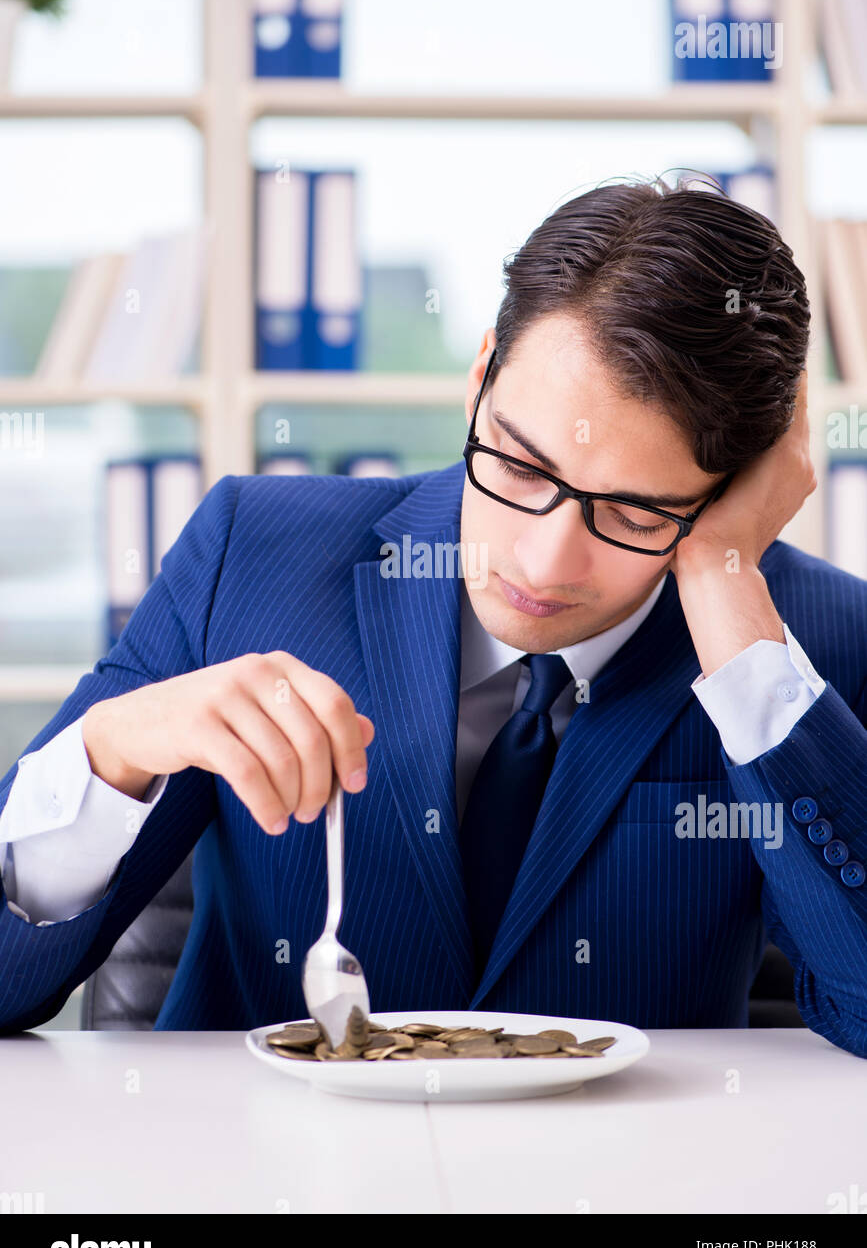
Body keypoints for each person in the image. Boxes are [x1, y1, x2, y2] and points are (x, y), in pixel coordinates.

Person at [1, 176, 866, 1055]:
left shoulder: (802, 646)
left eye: (637, 515)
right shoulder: (248, 553)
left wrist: (725, 595)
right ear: (480, 376)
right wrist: (112, 750)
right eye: (521, 468)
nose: (543, 561)